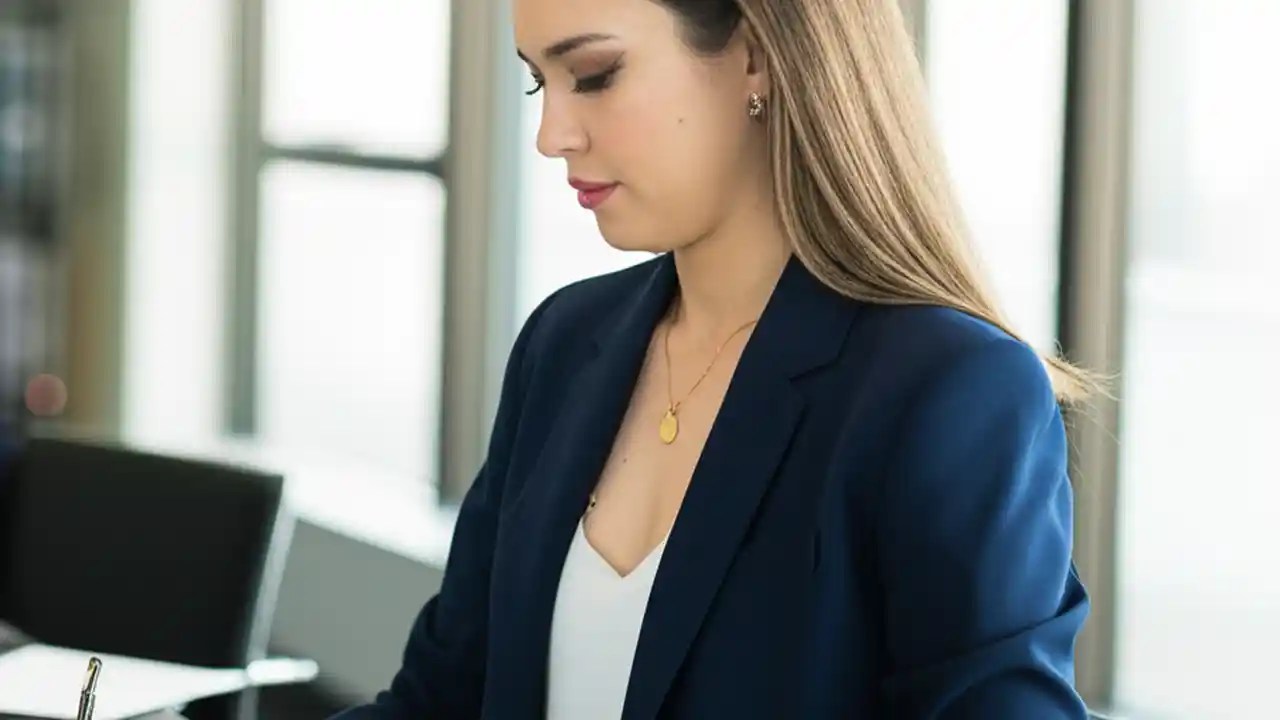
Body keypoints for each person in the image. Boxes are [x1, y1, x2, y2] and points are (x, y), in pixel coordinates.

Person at [334, 0, 1093, 717]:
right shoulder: (564, 343)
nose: (551, 133)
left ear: (757, 55)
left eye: (594, 75)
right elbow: (442, 699)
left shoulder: (951, 391)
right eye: (540, 81)